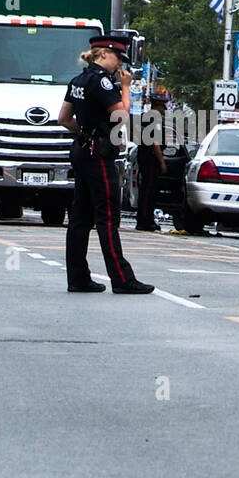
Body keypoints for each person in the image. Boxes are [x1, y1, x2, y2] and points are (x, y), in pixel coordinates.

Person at [59, 35, 155, 295]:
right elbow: (121, 114)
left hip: (82, 150)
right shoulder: (101, 81)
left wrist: (85, 134)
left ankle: (77, 277)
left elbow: (64, 118)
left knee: (80, 218)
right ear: (102, 54)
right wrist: (125, 87)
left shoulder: (78, 80)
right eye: (117, 58)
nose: (119, 65)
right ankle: (122, 279)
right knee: (107, 217)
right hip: (98, 155)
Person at [134, 92, 170, 231]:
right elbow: (154, 142)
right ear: (159, 105)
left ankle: (146, 219)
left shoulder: (146, 117)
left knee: (147, 189)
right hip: (150, 157)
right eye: (163, 105)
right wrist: (161, 161)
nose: (164, 109)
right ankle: (144, 221)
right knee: (148, 190)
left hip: (145, 155)